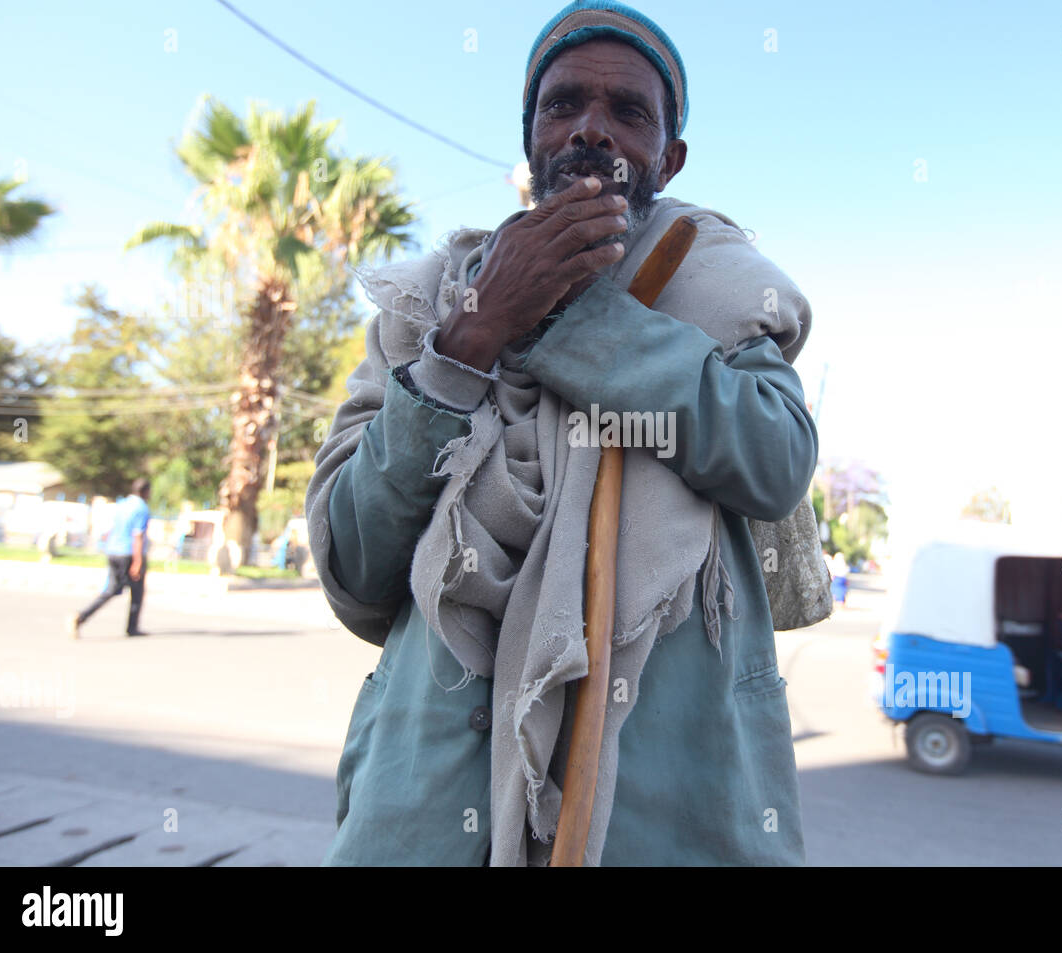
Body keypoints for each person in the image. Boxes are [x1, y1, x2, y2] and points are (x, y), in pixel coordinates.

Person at [305, 0, 817, 866]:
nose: (593, 131)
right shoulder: (428, 308)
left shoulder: (720, 292)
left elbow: (774, 461)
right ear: (531, 138)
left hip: (664, 812)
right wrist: (474, 336)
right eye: (564, 104)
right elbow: (354, 567)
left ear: (669, 155)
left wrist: (572, 324)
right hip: (426, 813)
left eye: (629, 113)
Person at [71, 477, 151, 639]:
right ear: (146, 492)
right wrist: (137, 562)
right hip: (128, 553)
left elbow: (109, 530)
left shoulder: (122, 505)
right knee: (135, 591)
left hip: (113, 551)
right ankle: (129, 626)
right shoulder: (141, 508)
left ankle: (84, 617)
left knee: (113, 589)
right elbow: (137, 536)